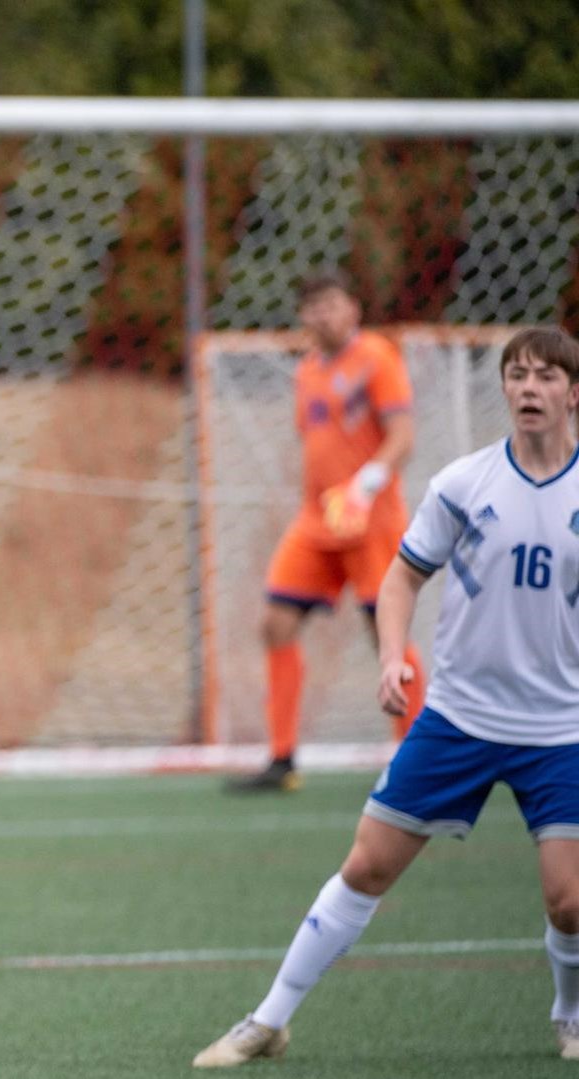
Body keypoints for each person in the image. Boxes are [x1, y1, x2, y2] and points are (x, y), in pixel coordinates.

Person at [193, 326, 579, 1067]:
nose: (528, 388)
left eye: (545, 376)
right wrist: (390, 657)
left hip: (558, 727)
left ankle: (568, 1012)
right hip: (459, 717)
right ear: (502, 387)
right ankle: (267, 1019)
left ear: (572, 392)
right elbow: (401, 576)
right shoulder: (463, 484)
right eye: (517, 374)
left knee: (568, 899)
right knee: (366, 864)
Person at [231, 274, 425, 791]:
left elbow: (403, 436)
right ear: (303, 318)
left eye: (332, 304)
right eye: (313, 307)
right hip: (317, 520)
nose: (323, 315)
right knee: (275, 622)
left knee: (385, 633)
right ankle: (281, 760)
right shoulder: (307, 373)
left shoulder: (377, 358)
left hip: (371, 519)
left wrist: (367, 482)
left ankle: (417, 759)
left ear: (353, 309)